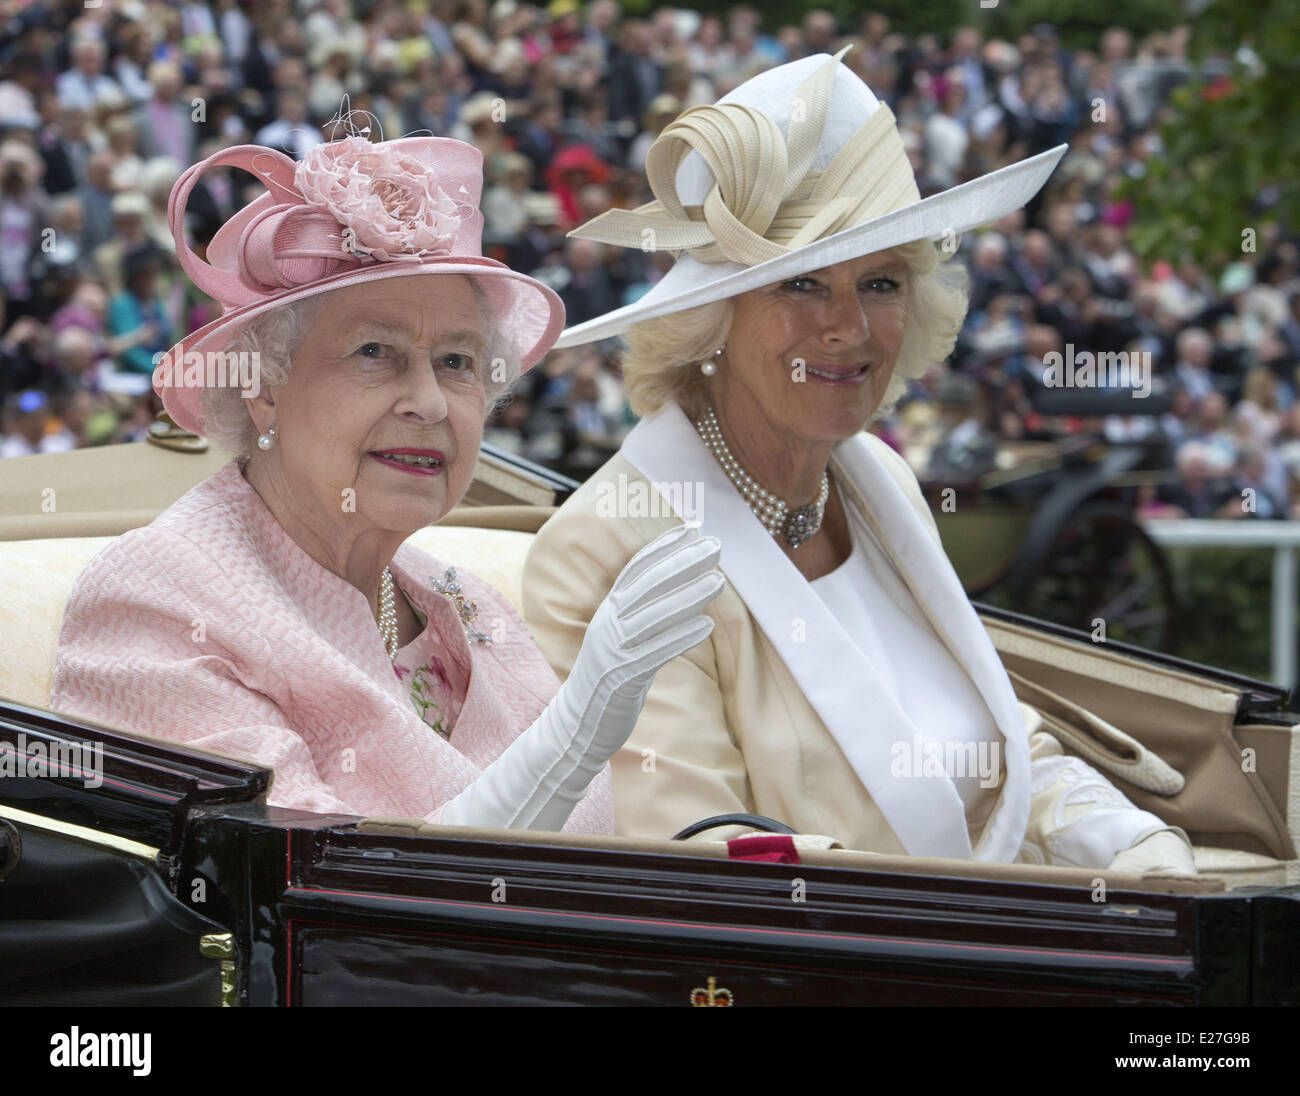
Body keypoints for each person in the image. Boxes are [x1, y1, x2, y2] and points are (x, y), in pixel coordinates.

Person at [523, 48, 1195, 872]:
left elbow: (997, 754)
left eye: (879, 283)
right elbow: (706, 863)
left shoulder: (882, 485)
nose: (849, 327)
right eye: (801, 285)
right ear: (713, 321)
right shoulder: (606, 549)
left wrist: (1136, 848)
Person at [52, 133, 724, 833]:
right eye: (376, 352)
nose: (430, 402)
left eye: (458, 362)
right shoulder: (156, 599)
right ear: (263, 390)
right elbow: (316, 902)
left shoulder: (463, 602)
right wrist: (574, 740)